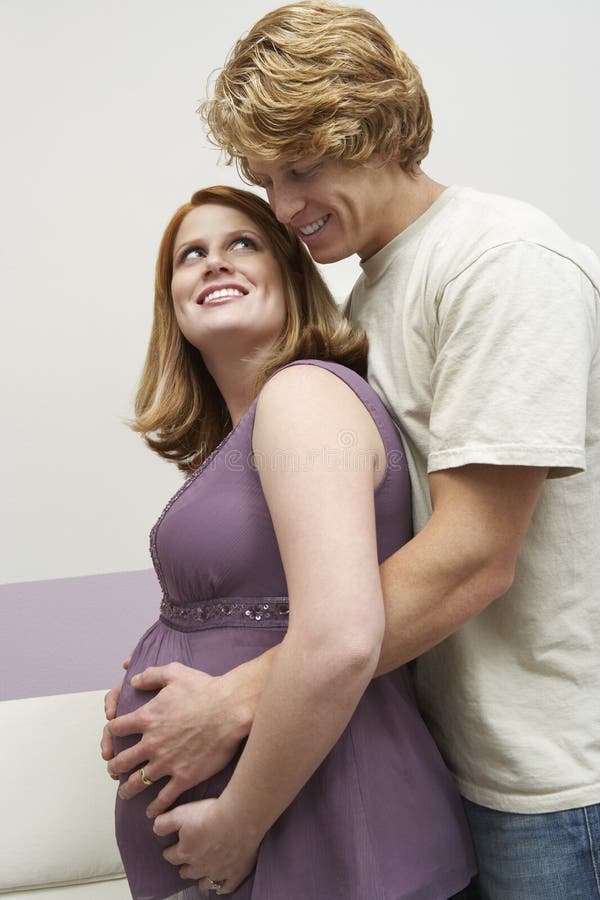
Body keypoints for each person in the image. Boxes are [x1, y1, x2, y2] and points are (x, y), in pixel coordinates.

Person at [103, 3, 600, 897]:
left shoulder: (503, 262)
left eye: (301, 168)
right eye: (265, 175)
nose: (286, 205)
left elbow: (474, 558)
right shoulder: (366, 304)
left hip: (547, 784)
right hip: (447, 751)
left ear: (375, 130)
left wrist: (231, 700)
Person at [109, 183, 475, 900]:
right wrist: (148, 703)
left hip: (318, 825)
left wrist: (240, 821)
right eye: (192, 255)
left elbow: (338, 638)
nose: (215, 262)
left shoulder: (302, 397)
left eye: (241, 244)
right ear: (173, 306)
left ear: (289, 272)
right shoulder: (242, 438)